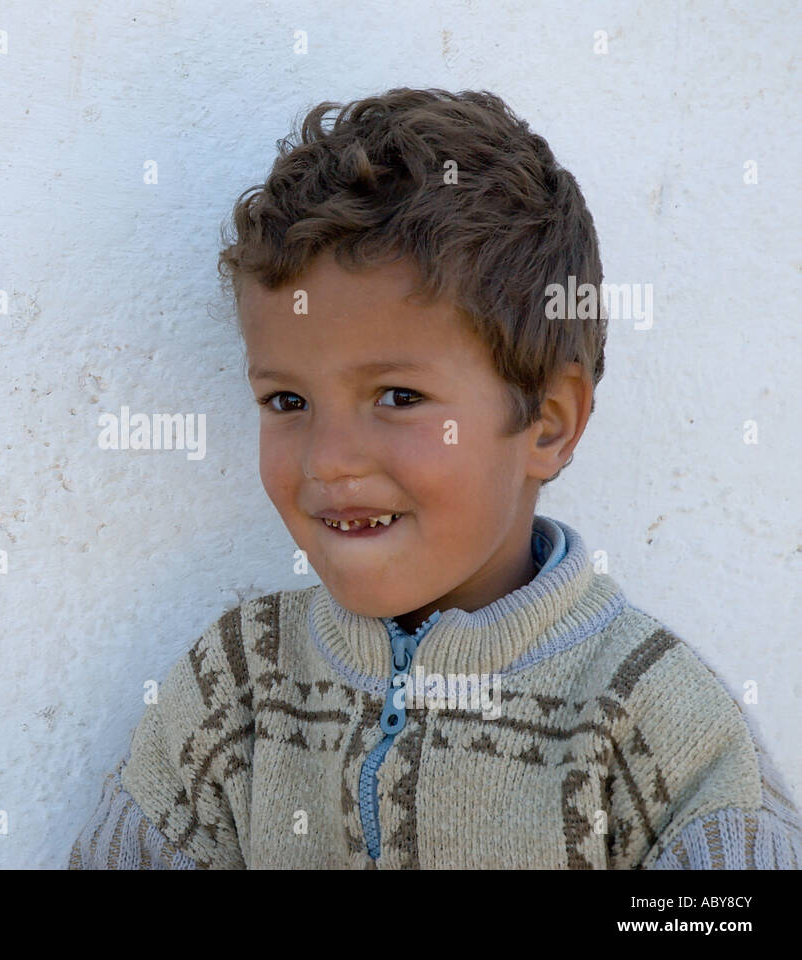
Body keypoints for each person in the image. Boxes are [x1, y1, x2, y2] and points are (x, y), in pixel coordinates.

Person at [67, 88, 802, 869]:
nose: (327, 459)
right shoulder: (235, 691)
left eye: (398, 398)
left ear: (547, 422)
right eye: (288, 401)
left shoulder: (655, 723)